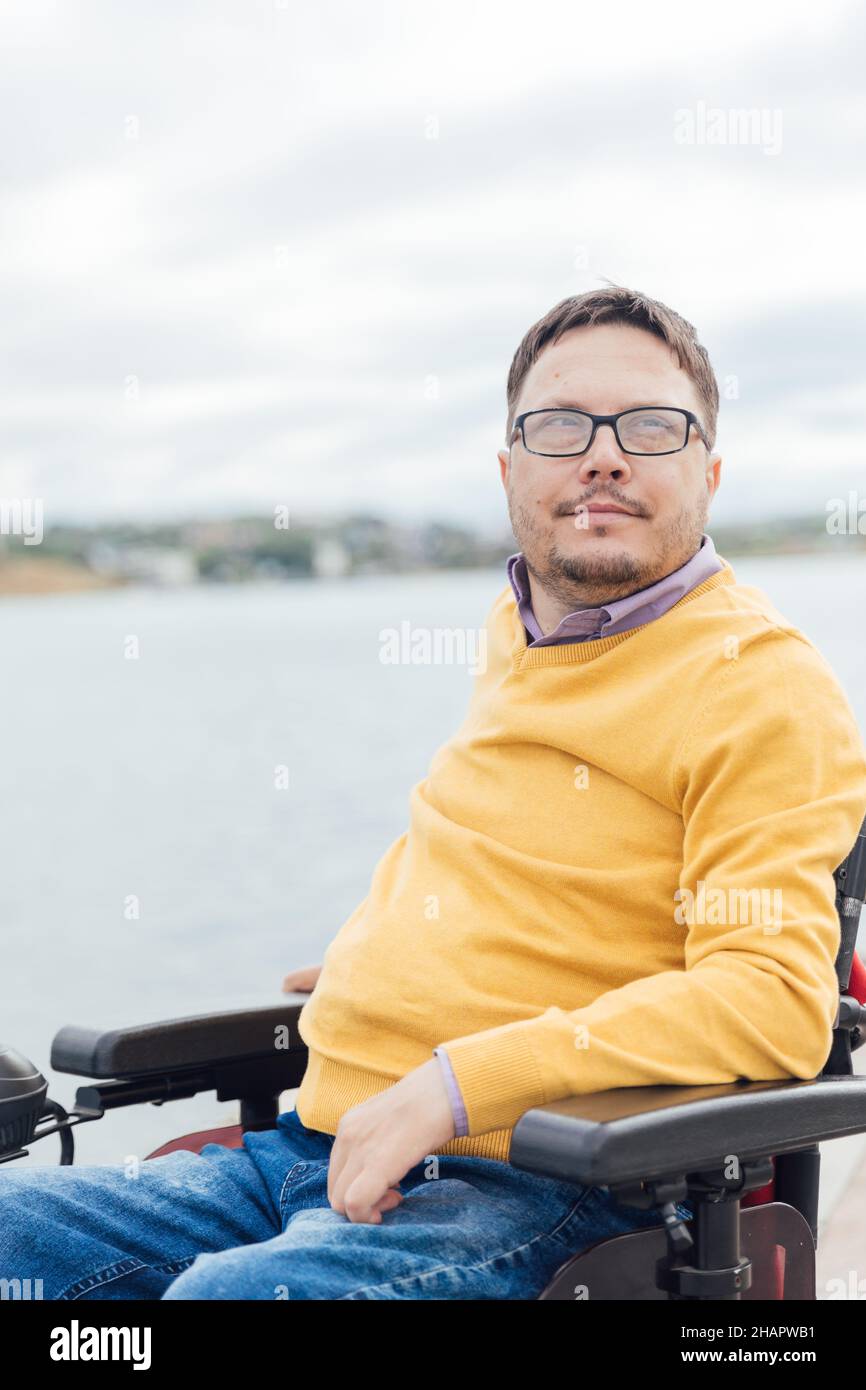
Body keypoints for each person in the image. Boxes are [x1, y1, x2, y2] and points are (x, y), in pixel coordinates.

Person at [3, 286, 866, 1301]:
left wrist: (454, 1081)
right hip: (311, 1144)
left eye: (648, 426)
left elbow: (771, 1001)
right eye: (557, 427)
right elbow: (548, 868)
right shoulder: (523, 629)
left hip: (539, 1186)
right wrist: (398, 967)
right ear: (508, 472)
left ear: (708, 473)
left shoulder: (757, 684)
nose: (601, 453)